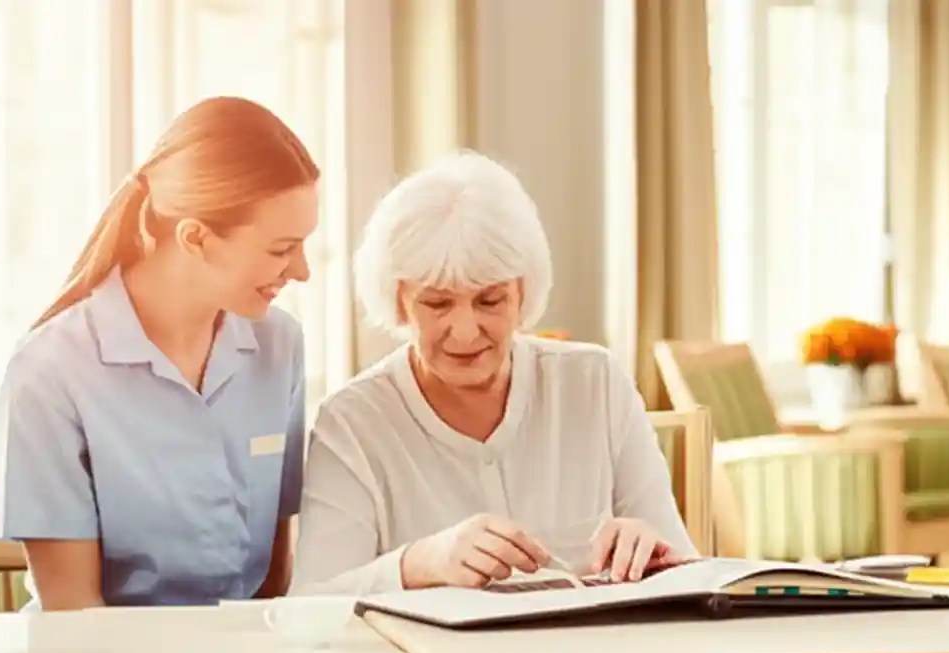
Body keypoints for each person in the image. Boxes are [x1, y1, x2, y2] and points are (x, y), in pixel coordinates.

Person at [290, 151, 696, 596]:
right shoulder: (352, 423)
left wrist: (652, 551)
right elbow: (312, 600)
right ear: (398, 299)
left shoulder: (596, 382)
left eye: (490, 301)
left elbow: (689, 572)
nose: (465, 332)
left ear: (524, 293)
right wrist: (419, 562)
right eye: (437, 303)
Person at [0, 96, 320, 610]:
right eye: (281, 249)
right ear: (196, 238)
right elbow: (72, 610)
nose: (302, 271)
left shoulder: (281, 344)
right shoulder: (50, 371)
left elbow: (274, 580)